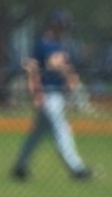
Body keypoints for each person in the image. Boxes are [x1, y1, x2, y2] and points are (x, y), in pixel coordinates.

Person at [12, 11, 96, 182]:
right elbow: (32, 71)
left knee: (36, 135)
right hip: (47, 95)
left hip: (58, 95)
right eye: (62, 25)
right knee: (62, 131)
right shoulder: (42, 44)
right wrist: (36, 92)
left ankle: (20, 167)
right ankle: (77, 169)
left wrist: (70, 79)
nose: (65, 28)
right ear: (53, 25)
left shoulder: (62, 45)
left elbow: (66, 70)